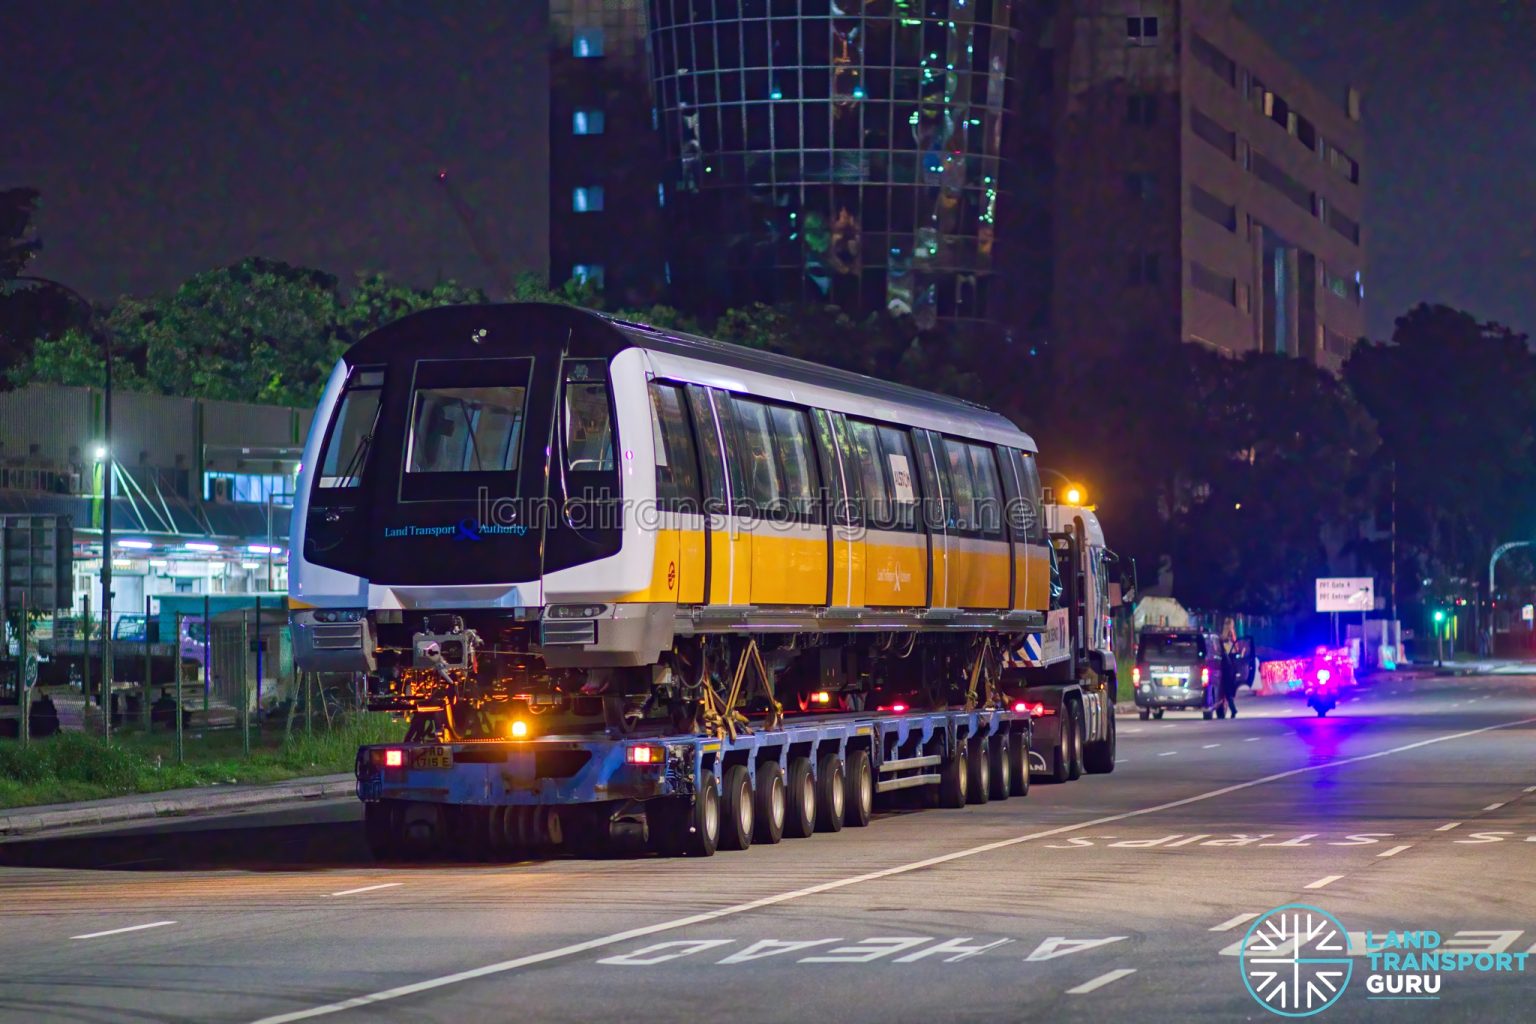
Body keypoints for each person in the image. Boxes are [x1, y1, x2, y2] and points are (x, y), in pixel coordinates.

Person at [1218, 618, 1241, 719]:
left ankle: (1231, 709)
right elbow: (1236, 650)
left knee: (1225, 689)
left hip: (1225, 666)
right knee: (1226, 690)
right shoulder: (1229, 637)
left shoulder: (1222, 637)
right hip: (1228, 666)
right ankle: (1230, 709)